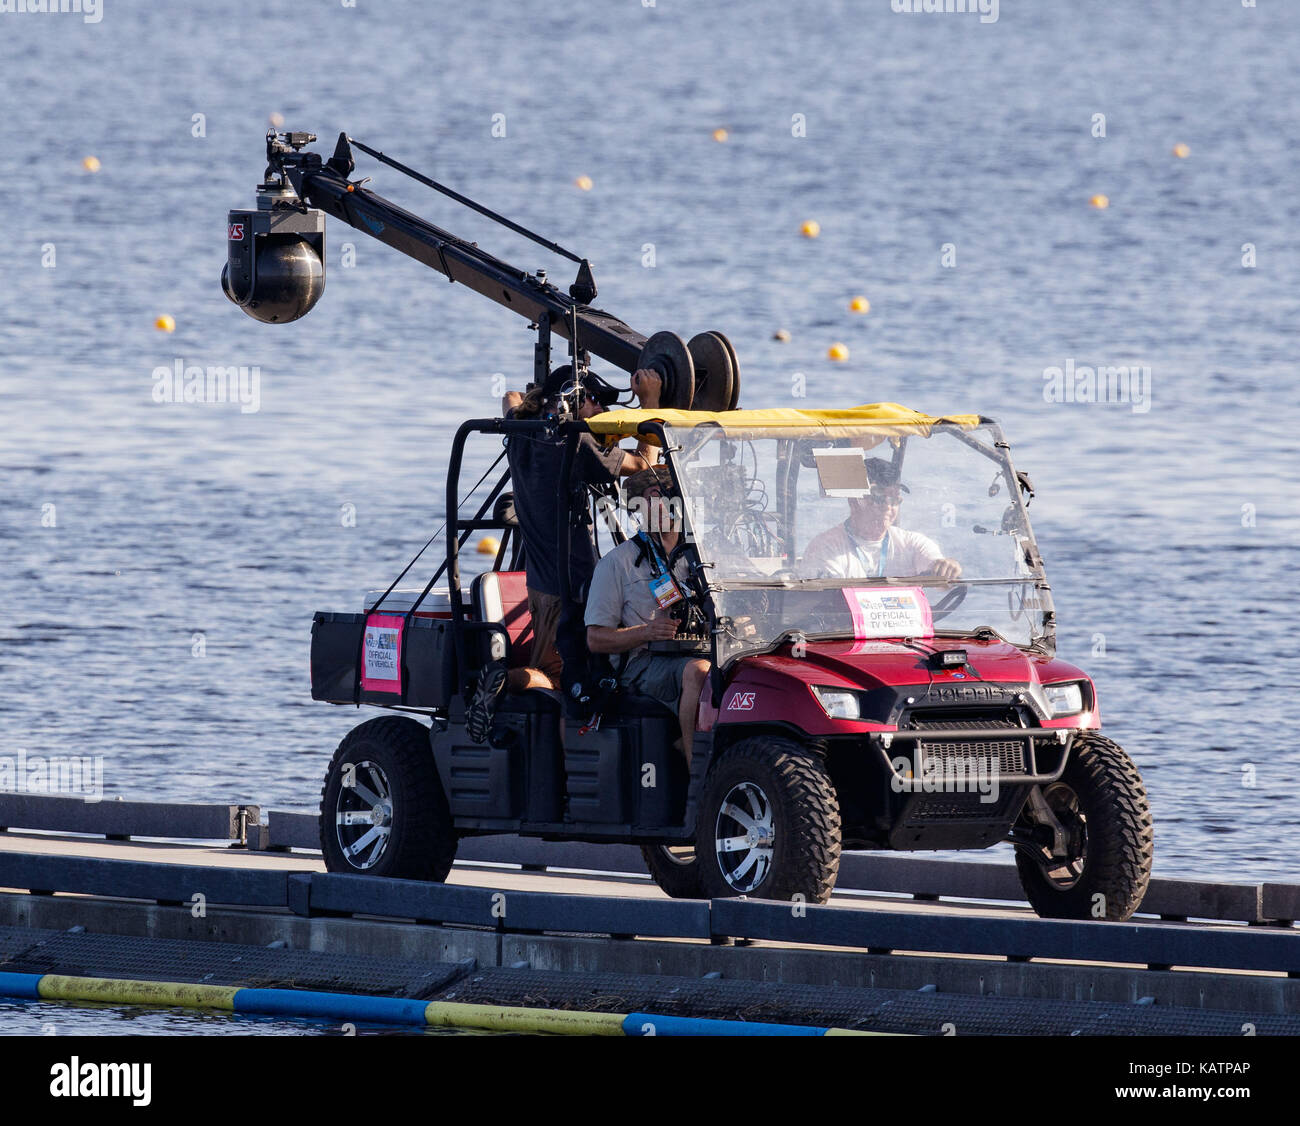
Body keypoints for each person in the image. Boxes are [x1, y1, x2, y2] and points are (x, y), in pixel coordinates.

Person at [466, 364, 661, 741]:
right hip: (573, 592)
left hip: (541, 587)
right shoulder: (576, 443)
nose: (603, 414)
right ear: (577, 400)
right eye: (597, 403)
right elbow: (646, 464)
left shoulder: (524, 432)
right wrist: (650, 402)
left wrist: (549, 406)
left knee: (561, 675)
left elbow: (511, 398)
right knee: (559, 681)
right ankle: (505, 680)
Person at [585, 465, 710, 763]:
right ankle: (698, 774)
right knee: (699, 672)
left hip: (700, 650)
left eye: (672, 494)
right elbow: (595, 639)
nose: (666, 502)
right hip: (641, 664)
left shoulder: (703, 559)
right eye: (655, 495)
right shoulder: (617, 563)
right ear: (639, 507)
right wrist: (646, 632)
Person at [802, 458, 962, 580]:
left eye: (893, 499)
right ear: (853, 501)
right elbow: (829, 605)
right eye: (878, 498)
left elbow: (937, 568)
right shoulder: (825, 547)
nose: (887, 506)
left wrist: (948, 567)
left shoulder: (913, 543)